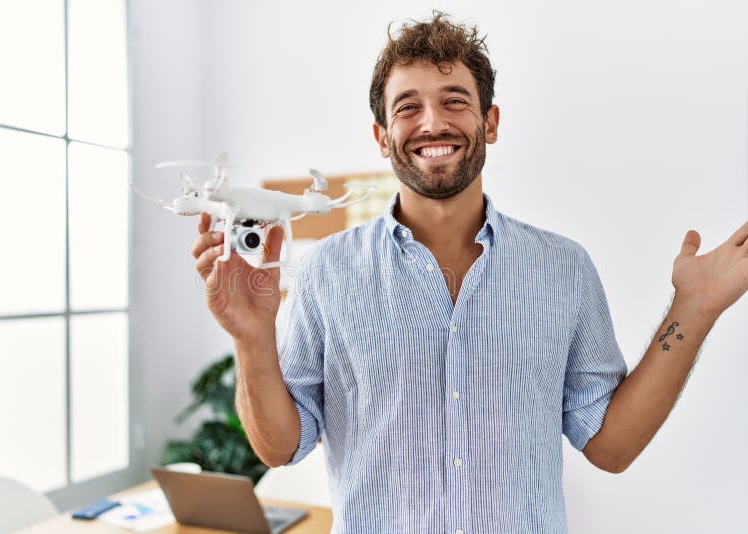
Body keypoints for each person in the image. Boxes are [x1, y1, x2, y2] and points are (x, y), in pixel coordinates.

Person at [190, 12, 748, 533]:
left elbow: (611, 446)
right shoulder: (326, 272)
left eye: (454, 101)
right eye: (407, 107)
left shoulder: (564, 269)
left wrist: (694, 309)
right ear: (383, 136)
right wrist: (252, 337)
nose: (432, 122)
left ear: (490, 121)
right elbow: (282, 448)